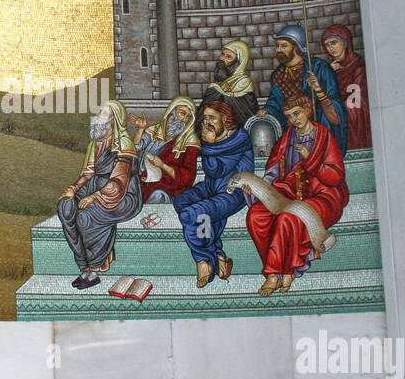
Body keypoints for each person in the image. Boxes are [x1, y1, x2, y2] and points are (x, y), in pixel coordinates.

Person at [243, 94, 348, 295]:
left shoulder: (323, 136)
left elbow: (335, 176)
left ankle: (280, 273)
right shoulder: (288, 137)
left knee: (287, 218)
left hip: (321, 195)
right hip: (288, 193)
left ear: (308, 110)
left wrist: (311, 160)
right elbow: (274, 171)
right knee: (256, 215)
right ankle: (275, 273)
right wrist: (258, 190)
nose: (294, 120)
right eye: (290, 116)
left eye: (297, 114)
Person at [58, 101, 143, 289]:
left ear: (113, 120)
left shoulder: (123, 143)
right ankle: (84, 266)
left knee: (86, 215)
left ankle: (94, 270)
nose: (97, 116)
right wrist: (74, 189)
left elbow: (119, 181)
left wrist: (95, 197)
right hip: (96, 189)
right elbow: (88, 173)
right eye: (98, 112)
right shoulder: (95, 143)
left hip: (122, 195)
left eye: (103, 114)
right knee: (65, 207)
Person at [174, 101, 254, 288]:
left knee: (191, 214)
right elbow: (211, 173)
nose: (206, 122)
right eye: (205, 118)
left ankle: (204, 260)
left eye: (212, 118)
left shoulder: (239, 139)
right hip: (212, 187)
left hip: (233, 191)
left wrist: (208, 145)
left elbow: (218, 169)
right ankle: (217, 254)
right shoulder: (216, 138)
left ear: (225, 120)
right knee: (181, 201)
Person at [258, 24, 347, 155]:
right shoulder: (277, 75)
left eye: (283, 46)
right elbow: (276, 101)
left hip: (318, 128)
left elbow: (334, 103)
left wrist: (318, 90)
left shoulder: (318, 67)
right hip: (294, 129)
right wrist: (267, 110)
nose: (278, 50)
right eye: (277, 46)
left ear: (296, 47)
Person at [130, 96, 200, 204]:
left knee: (158, 196)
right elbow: (135, 149)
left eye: (188, 117)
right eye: (182, 113)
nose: (183, 119)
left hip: (169, 188)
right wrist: (140, 129)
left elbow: (188, 177)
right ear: (172, 111)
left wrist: (163, 166)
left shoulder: (190, 141)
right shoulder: (155, 130)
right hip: (142, 180)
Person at [320, 24, 371, 149]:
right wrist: (330, 73)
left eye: (334, 43)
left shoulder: (357, 67)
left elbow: (357, 98)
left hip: (352, 113)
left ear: (345, 43)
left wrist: (337, 108)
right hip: (335, 111)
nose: (331, 48)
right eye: (327, 45)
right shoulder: (329, 68)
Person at [200, 39, 260, 127]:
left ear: (238, 64)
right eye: (222, 54)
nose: (222, 59)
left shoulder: (243, 84)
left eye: (228, 57)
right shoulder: (218, 84)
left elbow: (246, 114)